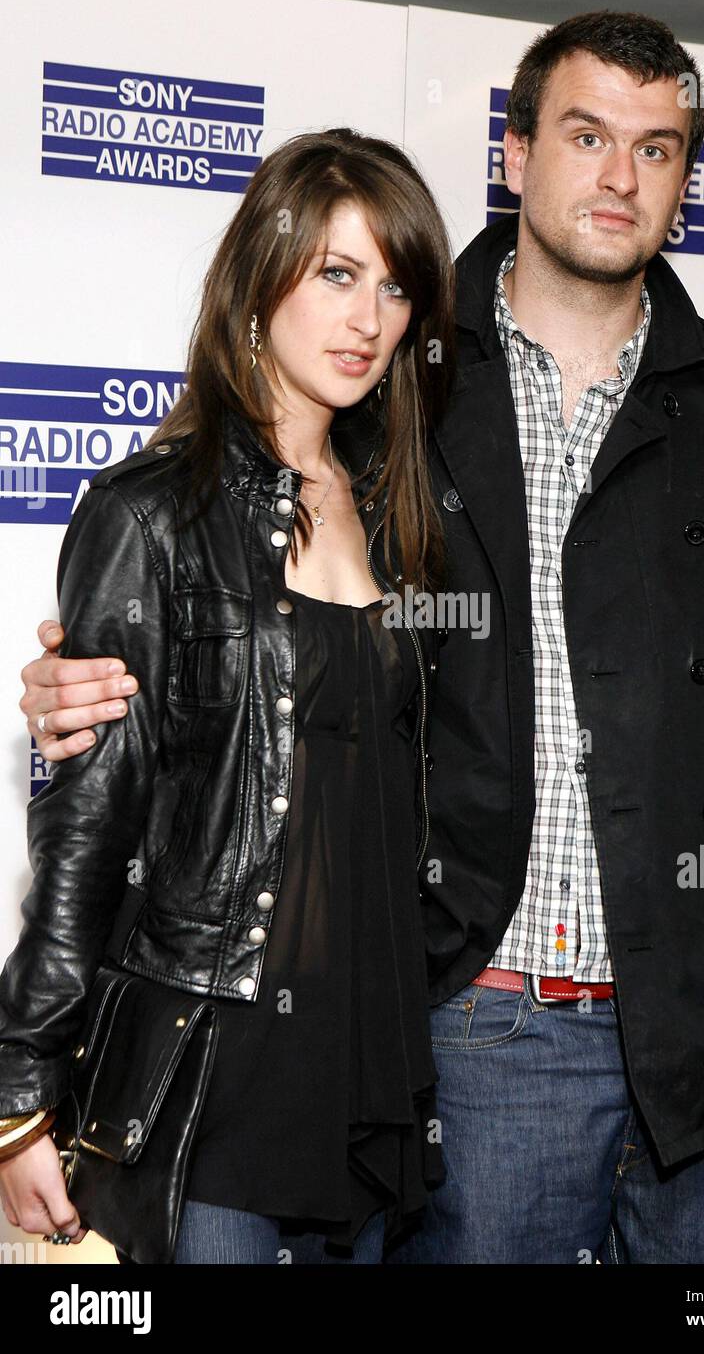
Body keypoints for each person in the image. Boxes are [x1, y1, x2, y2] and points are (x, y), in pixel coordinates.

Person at [18, 10, 704, 1265]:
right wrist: (92, 685)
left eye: (659, 148)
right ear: (512, 155)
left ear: (689, 176)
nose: (619, 176)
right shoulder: (406, 386)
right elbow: (242, 593)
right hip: (473, 1036)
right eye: (583, 135)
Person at [0, 127, 457, 1264]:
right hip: (212, 1068)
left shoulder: (403, 514)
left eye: (394, 287)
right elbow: (84, 824)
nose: (369, 319)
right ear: (261, 280)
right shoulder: (150, 512)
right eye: (337, 275)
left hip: (370, 1064)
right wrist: (16, 1095)